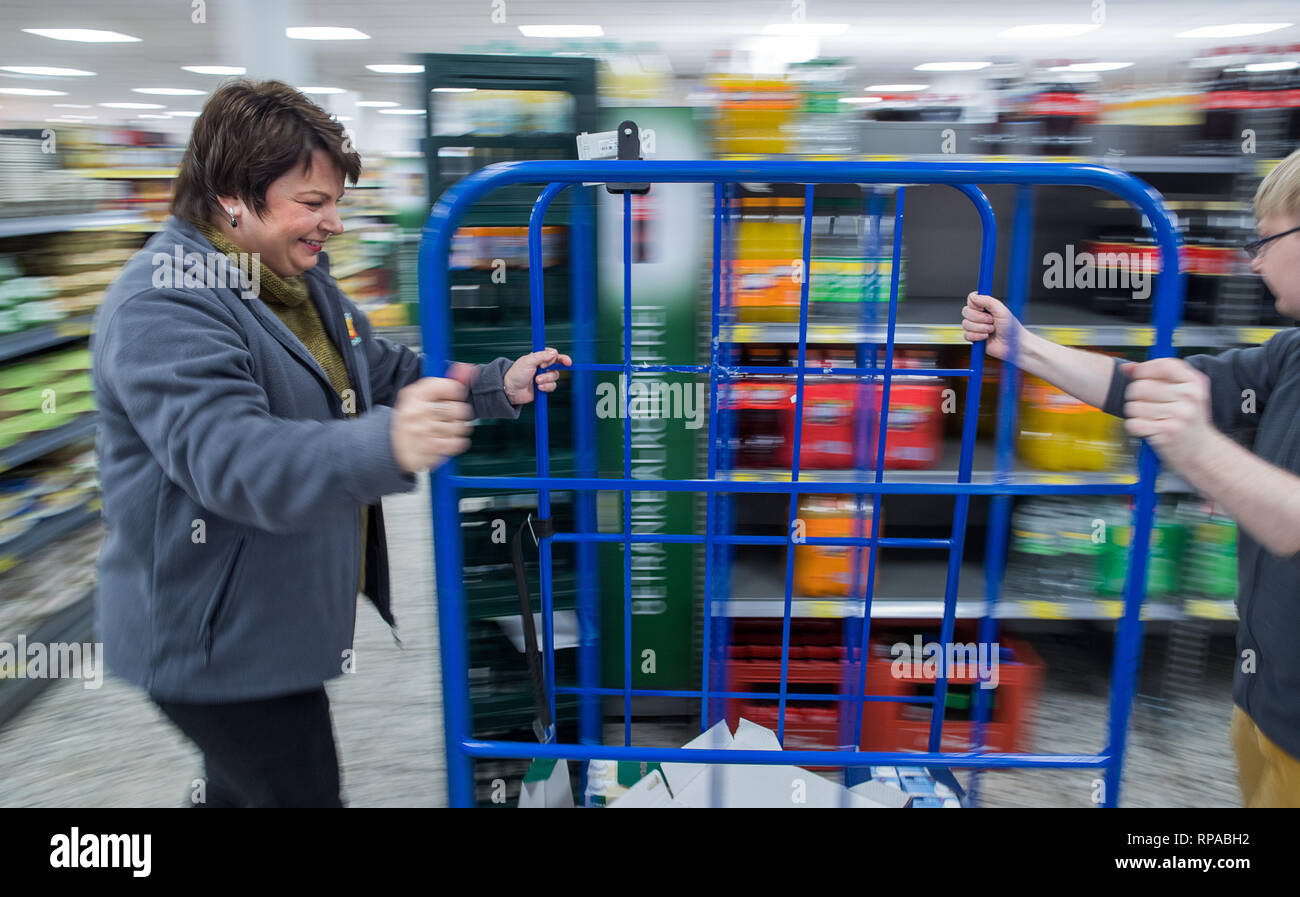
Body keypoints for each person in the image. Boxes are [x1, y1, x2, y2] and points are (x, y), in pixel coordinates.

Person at [89, 79, 571, 807]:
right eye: (312, 204)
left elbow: (380, 372)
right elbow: (238, 460)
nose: (334, 224)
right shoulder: (164, 303)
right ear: (231, 195)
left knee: (241, 789)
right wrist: (388, 444)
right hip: (210, 643)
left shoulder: (291, 280)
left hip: (263, 621)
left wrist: (493, 386)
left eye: (336, 202)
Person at [961, 147, 1300, 808]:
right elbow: (1138, 388)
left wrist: (1195, 445)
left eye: (1267, 240)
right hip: (1265, 698)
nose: (1254, 261)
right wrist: (1021, 345)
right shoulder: (1290, 353)